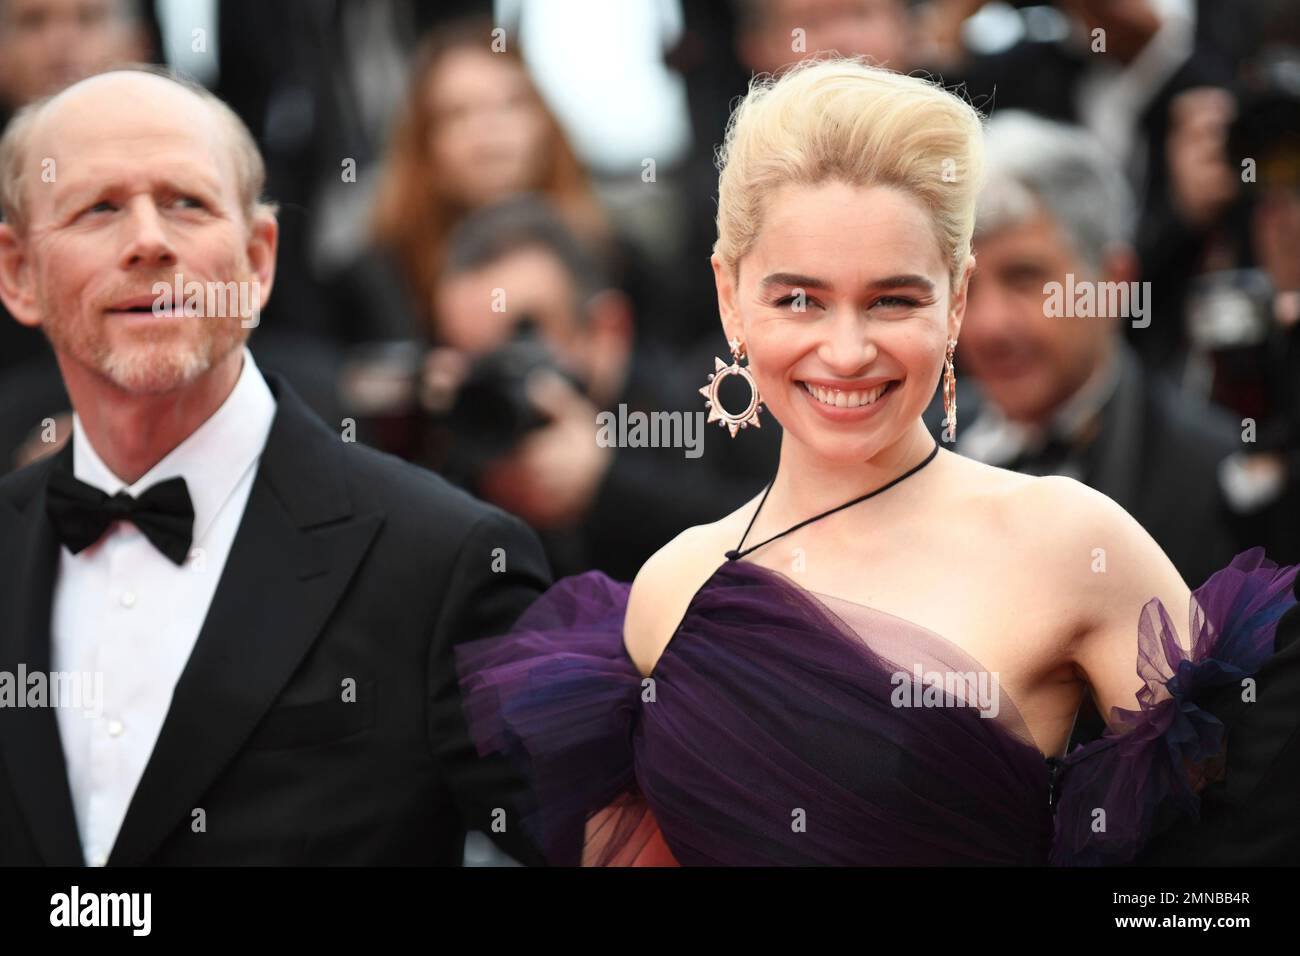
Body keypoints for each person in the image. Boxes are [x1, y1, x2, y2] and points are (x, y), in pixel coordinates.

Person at [451, 57, 1299, 866]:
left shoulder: (1069, 542)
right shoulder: (672, 588)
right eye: (799, 299)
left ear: (957, 299)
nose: (848, 350)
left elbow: (1233, 865)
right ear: (728, 297)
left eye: (893, 299)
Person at [0, 67, 550, 866]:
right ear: (18, 274)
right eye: (99, 208)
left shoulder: (443, 560)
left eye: (187, 202)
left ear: (259, 259)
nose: (149, 239)